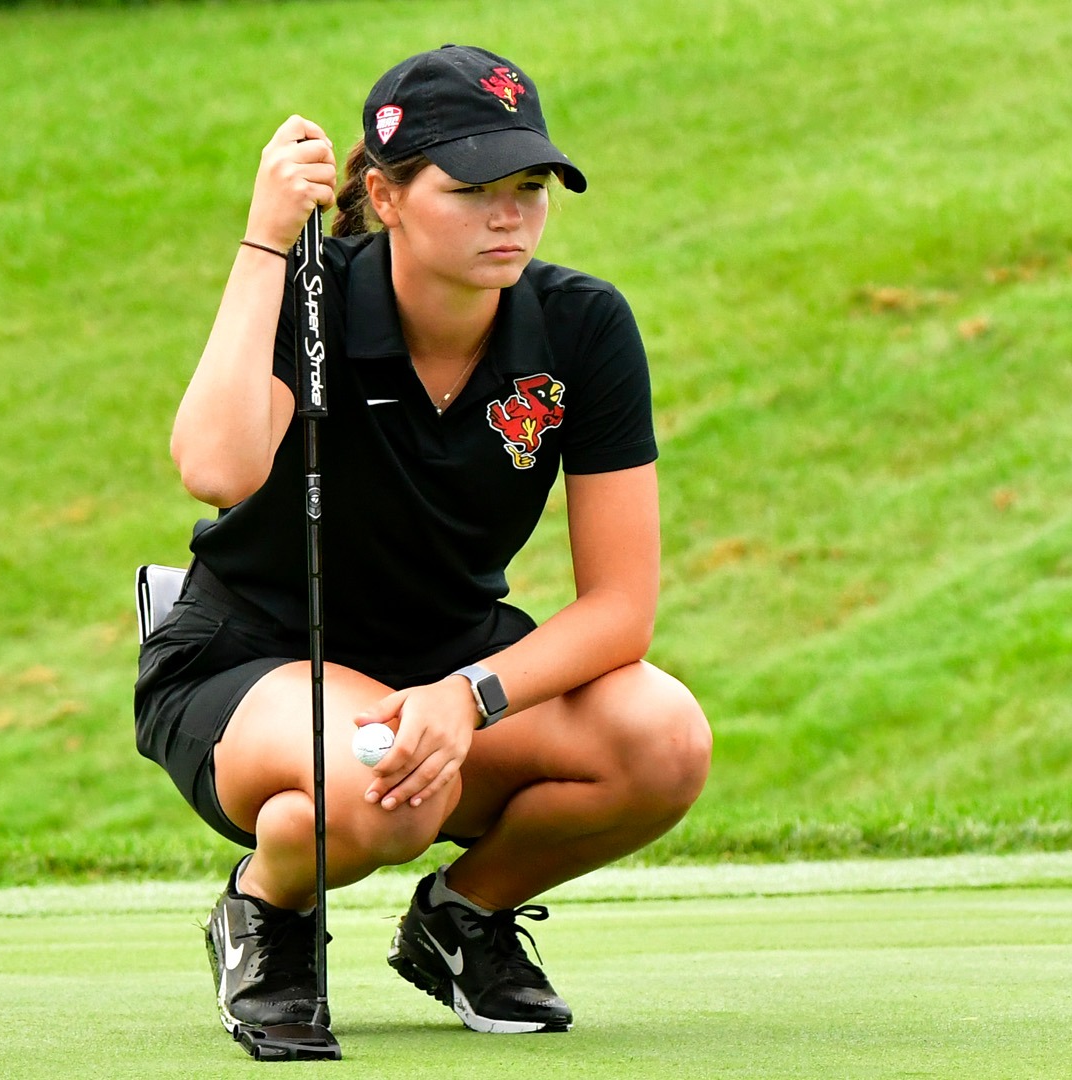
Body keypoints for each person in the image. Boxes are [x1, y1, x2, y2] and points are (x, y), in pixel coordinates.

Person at [133, 44, 712, 1051]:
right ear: (385, 196)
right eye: (475, 188)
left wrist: (470, 694)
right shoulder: (310, 292)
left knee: (663, 740)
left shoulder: (582, 326)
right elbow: (215, 469)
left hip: (451, 657)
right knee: (386, 786)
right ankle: (266, 908)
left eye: (530, 187)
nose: (511, 214)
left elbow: (620, 610)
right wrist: (267, 242)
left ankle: (462, 917)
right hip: (257, 658)